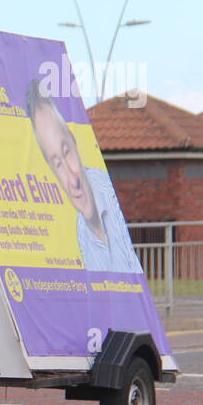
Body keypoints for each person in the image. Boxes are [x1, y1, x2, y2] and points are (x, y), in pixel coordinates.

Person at [26, 80, 142, 274]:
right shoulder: (79, 238)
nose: (72, 181)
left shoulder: (108, 194)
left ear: (74, 140)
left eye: (67, 152)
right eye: (57, 164)